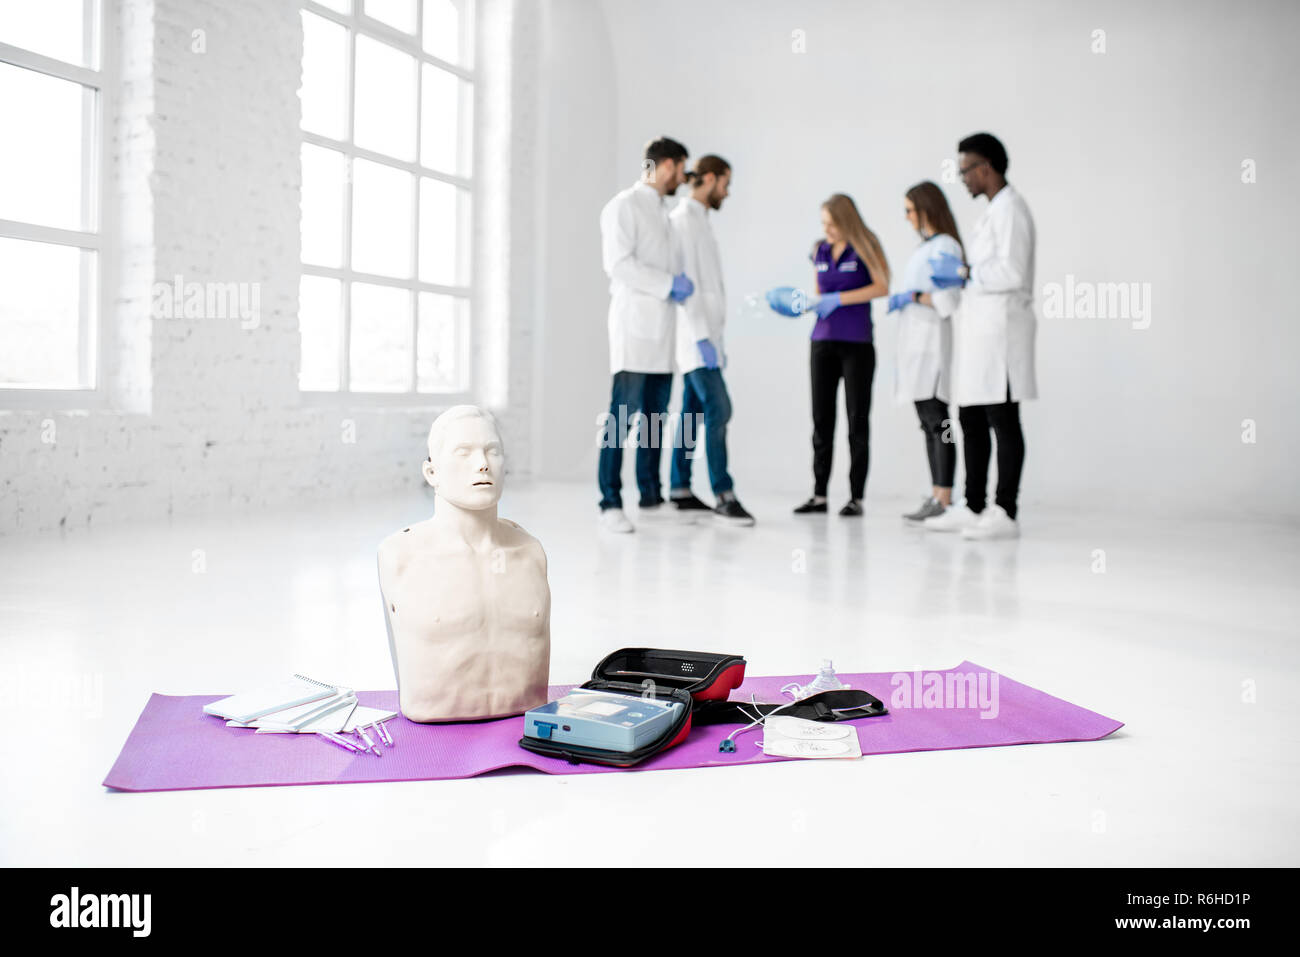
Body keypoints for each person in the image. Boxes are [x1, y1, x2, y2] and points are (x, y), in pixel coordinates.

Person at [923, 132, 1037, 540]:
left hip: (1003, 334)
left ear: (985, 167)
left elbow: (1014, 273)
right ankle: (972, 506)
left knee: (1002, 419)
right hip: (980, 333)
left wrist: (967, 273)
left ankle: (1005, 510)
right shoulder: (990, 213)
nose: (963, 179)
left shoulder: (1012, 211)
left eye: (965, 170)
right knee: (970, 417)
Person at [596, 136, 695, 533]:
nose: (683, 178)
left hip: (663, 333)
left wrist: (675, 286)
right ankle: (610, 502)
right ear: (667, 165)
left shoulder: (665, 216)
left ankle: (650, 496)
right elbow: (618, 265)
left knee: (655, 417)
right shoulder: (623, 206)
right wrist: (669, 283)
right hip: (634, 330)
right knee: (622, 419)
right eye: (681, 169)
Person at [667, 155, 755, 526]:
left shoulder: (700, 220)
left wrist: (716, 342)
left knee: (693, 412)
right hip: (693, 336)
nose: (728, 192)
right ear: (709, 179)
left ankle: (680, 488)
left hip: (707, 338)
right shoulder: (683, 221)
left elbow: (710, 288)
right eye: (725, 183)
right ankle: (724, 493)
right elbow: (687, 285)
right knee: (720, 409)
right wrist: (702, 336)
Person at [793, 194, 891, 516]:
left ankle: (856, 497)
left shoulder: (866, 245)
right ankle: (819, 494)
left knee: (856, 420)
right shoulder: (819, 250)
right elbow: (820, 291)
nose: (828, 230)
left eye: (833, 224)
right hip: (822, 341)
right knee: (821, 419)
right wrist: (810, 302)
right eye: (824, 224)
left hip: (856, 344)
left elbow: (882, 286)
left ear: (847, 221)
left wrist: (842, 299)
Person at [884, 182, 964, 523]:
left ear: (925, 209)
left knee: (940, 422)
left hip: (932, 346)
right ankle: (936, 494)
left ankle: (944, 497)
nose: (906, 217)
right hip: (916, 347)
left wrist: (913, 297)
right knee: (928, 423)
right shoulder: (924, 248)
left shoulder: (946, 246)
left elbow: (950, 300)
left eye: (909, 210)